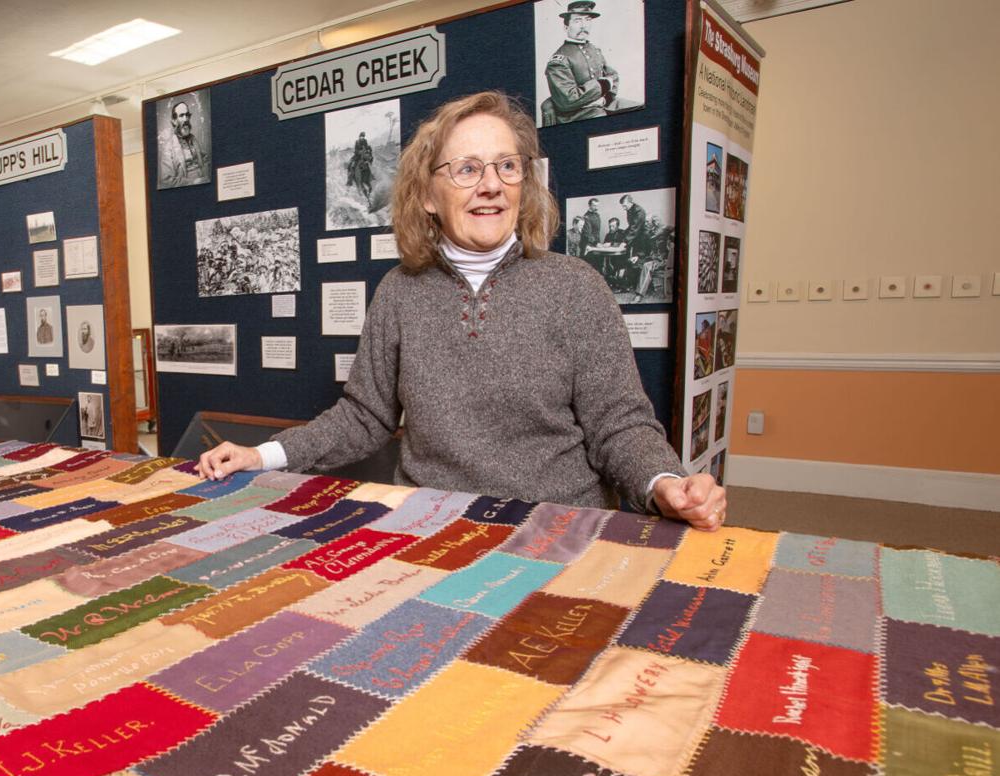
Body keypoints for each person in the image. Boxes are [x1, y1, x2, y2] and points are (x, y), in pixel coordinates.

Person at [199, 91, 726, 530]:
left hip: (555, 527)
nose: (491, 184)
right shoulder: (399, 292)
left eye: (507, 166)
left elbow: (620, 425)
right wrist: (261, 455)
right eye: (467, 169)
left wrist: (665, 485)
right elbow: (363, 417)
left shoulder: (576, 288)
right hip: (430, 524)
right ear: (428, 194)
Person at [543, 1, 619, 125]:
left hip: (603, 104)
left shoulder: (594, 49)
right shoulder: (559, 59)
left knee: (637, 107)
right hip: (576, 114)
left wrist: (606, 97)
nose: (584, 26)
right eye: (577, 21)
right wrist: (602, 86)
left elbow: (612, 76)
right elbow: (569, 99)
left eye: (588, 20)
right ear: (566, 27)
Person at [157, 97, 210, 188]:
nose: (185, 119)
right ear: (174, 121)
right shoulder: (168, 147)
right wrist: (193, 182)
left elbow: (205, 159)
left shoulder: (193, 139)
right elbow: (166, 180)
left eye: (187, 115)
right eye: (181, 116)